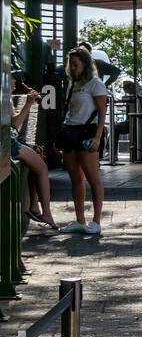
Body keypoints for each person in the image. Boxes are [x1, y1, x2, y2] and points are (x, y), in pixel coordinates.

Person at [55, 47, 108, 235]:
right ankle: (80, 220)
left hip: (88, 133)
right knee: (75, 179)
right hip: (70, 132)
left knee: (93, 179)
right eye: (71, 65)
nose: (73, 68)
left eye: (76, 65)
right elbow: (70, 112)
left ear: (85, 64)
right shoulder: (73, 85)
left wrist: (97, 138)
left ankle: (96, 222)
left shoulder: (96, 84)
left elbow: (102, 113)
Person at [10, 80, 57, 229]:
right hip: (7, 142)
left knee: (37, 154)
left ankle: (34, 206)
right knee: (42, 168)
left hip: (9, 139)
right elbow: (16, 124)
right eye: (12, 78)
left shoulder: (6, 97)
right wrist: (29, 103)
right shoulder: (4, 97)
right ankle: (47, 214)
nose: (15, 82)